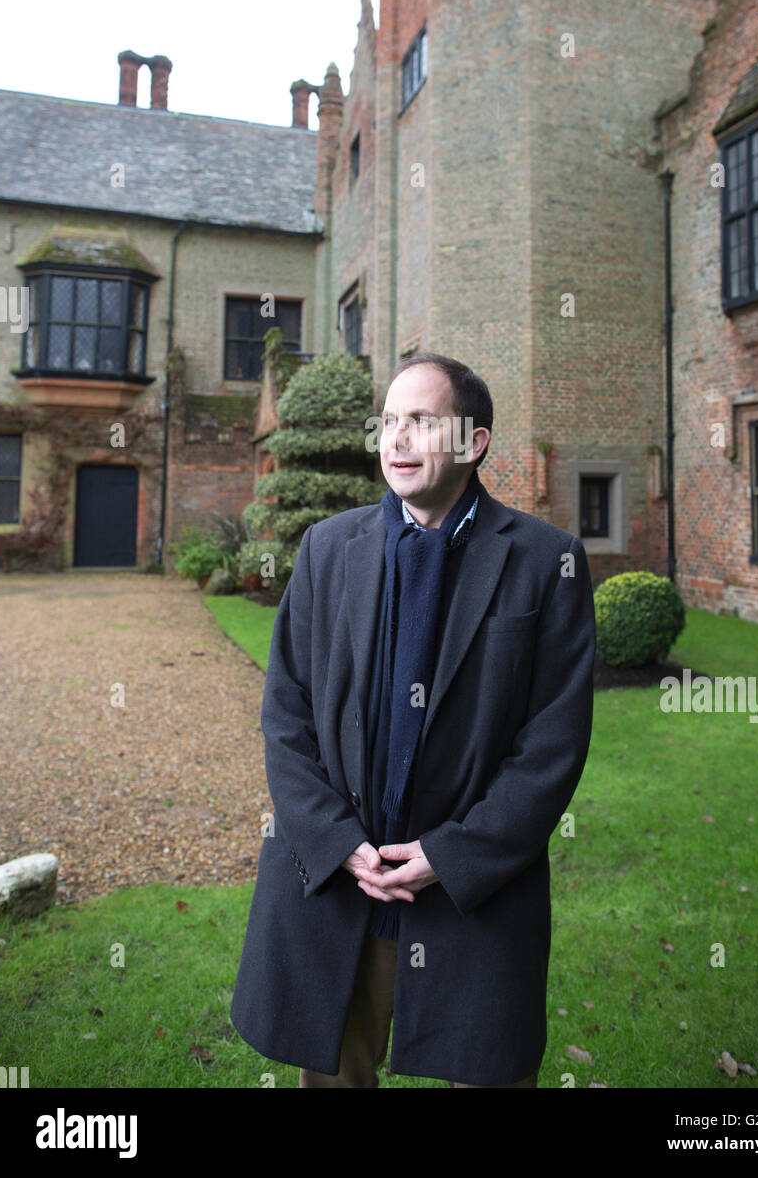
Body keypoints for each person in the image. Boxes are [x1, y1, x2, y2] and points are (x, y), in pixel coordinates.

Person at [230, 351, 595, 1087]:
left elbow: (552, 744)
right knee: (335, 1071)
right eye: (389, 421)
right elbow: (286, 713)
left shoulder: (544, 561)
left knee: (486, 1072)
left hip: (473, 896)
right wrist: (336, 842)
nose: (396, 439)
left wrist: (453, 857)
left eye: (421, 421)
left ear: (474, 442)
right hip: (342, 887)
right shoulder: (329, 549)